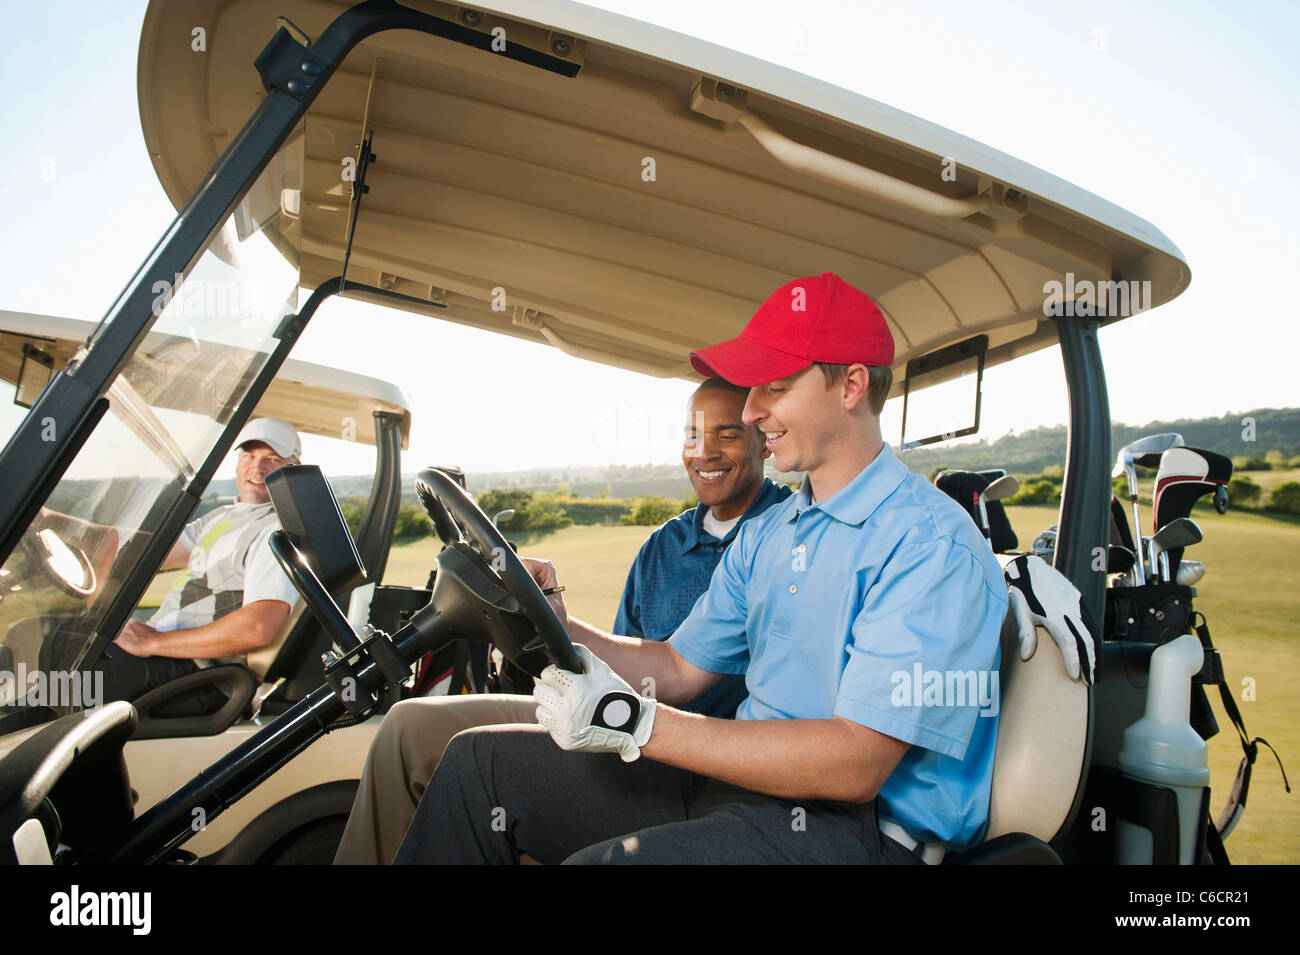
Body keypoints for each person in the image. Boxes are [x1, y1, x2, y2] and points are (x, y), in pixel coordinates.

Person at [394, 272, 1093, 865]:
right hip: (737, 787)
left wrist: (636, 723)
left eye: (776, 386)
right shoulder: (775, 530)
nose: (753, 409)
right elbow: (675, 667)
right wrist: (542, 610)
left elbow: (855, 763)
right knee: (474, 768)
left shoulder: (928, 545)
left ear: (850, 385)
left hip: (855, 831)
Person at [332, 379, 792, 864]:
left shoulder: (784, 537)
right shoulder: (664, 545)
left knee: (475, 764)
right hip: (618, 720)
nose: (705, 452)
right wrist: (548, 618)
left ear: (764, 438)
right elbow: (633, 662)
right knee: (408, 726)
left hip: (694, 756)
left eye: (728, 435)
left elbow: (677, 679)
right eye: (693, 435)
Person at [93, 417, 303, 710]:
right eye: (249, 455)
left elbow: (258, 626)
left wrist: (151, 643)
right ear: (238, 461)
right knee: (64, 642)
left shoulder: (276, 532)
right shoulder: (222, 517)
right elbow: (143, 551)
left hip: (201, 673)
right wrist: (74, 530)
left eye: (273, 459)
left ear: (293, 469)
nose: (257, 468)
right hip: (169, 656)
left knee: (77, 678)